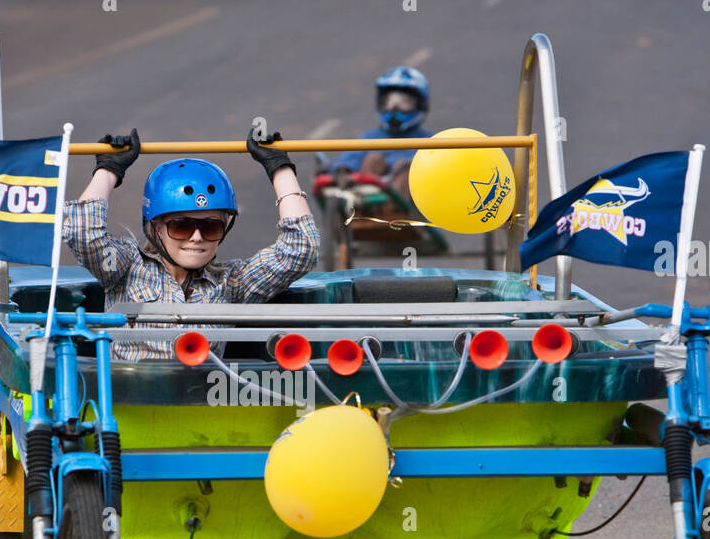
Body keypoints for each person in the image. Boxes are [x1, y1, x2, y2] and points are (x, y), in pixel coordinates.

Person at [63, 128, 319, 361]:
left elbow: (300, 249)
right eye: (181, 226)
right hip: (130, 403)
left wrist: (279, 167)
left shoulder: (232, 283)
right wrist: (108, 171)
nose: (196, 237)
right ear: (156, 228)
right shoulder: (125, 268)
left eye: (210, 227)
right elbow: (83, 233)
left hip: (201, 403)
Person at [333, 66, 433, 207]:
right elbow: (349, 160)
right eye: (389, 101)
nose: (394, 108)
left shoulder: (430, 142)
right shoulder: (370, 137)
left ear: (420, 104)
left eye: (404, 101)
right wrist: (343, 170)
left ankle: (393, 215)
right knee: (374, 159)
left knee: (407, 169)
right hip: (366, 204)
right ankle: (367, 210)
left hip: (408, 211)